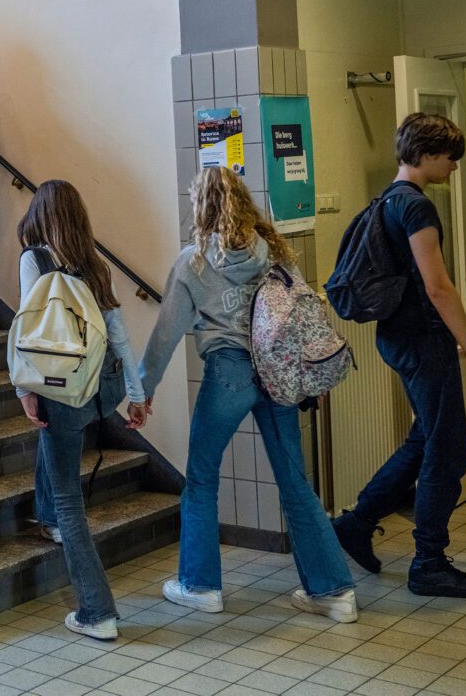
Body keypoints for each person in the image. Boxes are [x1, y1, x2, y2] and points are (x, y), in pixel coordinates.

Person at [139, 167, 357, 622]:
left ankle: (200, 586)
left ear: (201, 207)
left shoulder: (193, 262)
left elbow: (165, 336)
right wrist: (307, 378)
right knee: (295, 480)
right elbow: (301, 316)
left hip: (228, 372)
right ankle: (334, 593)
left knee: (202, 477)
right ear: (243, 200)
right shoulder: (273, 252)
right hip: (278, 373)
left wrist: (142, 391)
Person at [332, 113, 466, 597]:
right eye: (450, 157)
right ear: (428, 153)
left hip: (397, 337)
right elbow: (438, 286)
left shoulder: (387, 200)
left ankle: (357, 522)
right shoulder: (416, 207)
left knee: (425, 438)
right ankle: (428, 563)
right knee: (449, 451)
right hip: (424, 340)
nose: (454, 166)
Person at [13, 180, 150, 640]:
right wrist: (136, 394)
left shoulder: (34, 260)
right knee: (54, 441)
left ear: (39, 214)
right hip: (100, 388)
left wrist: (24, 388)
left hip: (62, 388)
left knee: (70, 499)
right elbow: (119, 333)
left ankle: (97, 611)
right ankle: (48, 517)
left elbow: (30, 329)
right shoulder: (95, 263)